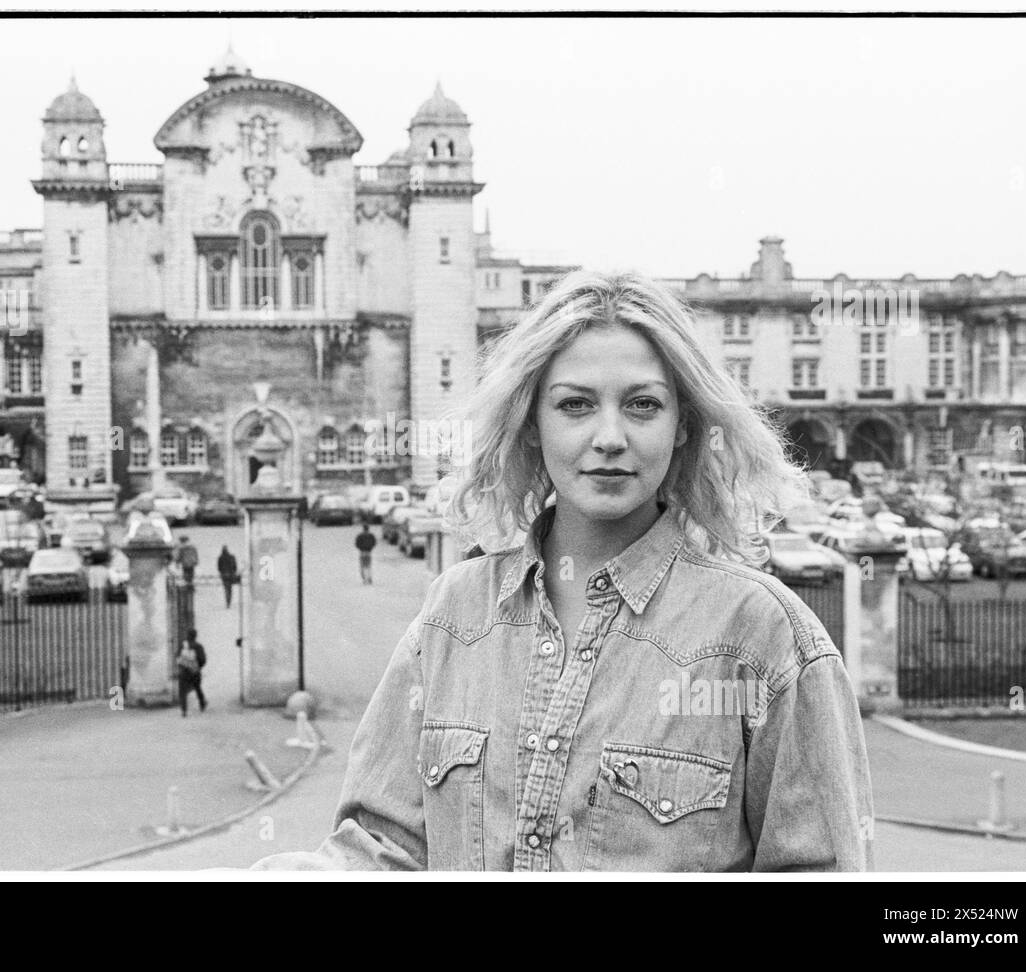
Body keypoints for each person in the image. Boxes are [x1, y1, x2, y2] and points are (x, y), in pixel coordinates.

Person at [252, 269, 872, 872]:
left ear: (684, 426)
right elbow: (383, 851)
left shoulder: (763, 637)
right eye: (575, 405)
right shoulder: (454, 614)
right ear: (531, 424)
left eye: (642, 405)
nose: (609, 436)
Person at [175, 629, 207, 716]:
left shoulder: (182, 646)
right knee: (197, 688)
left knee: (182, 691)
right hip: (194, 671)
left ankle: (184, 710)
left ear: (187, 635)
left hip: (184, 671)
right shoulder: (198, 646)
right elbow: (203, 660)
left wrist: (182, 665)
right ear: (195, 636)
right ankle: (202, 703)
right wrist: (197, 667)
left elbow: (177, 656)